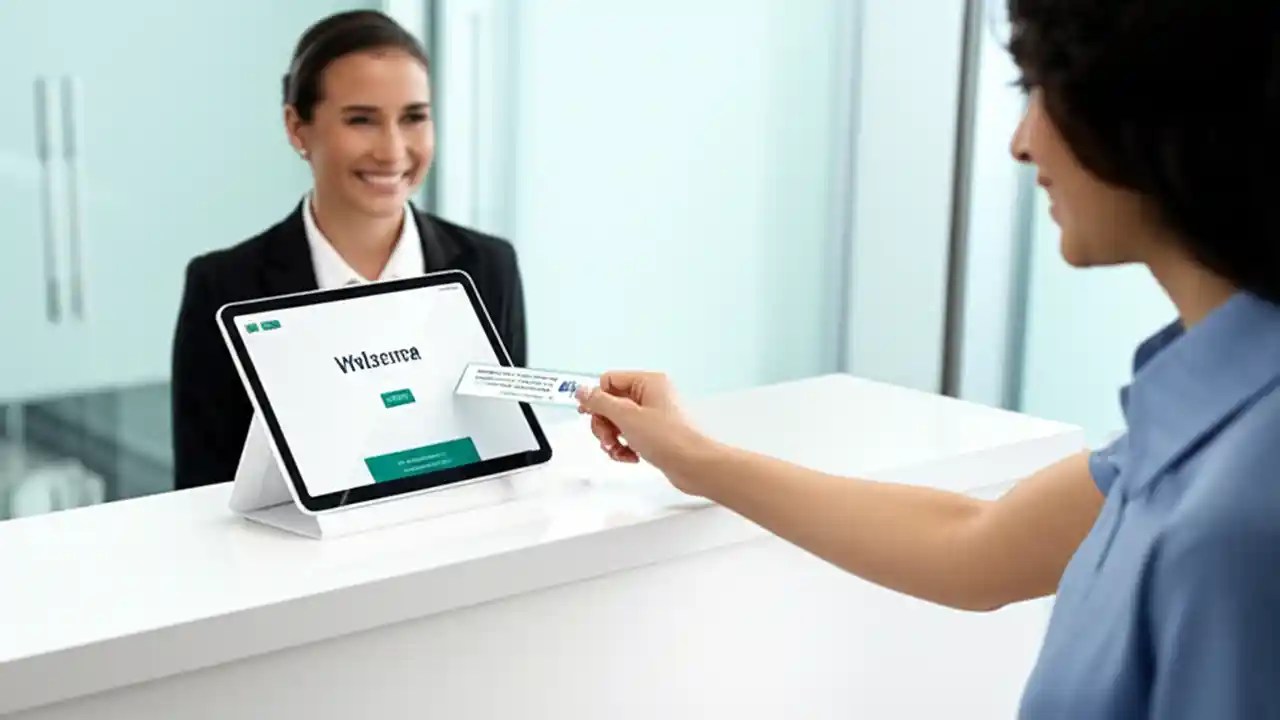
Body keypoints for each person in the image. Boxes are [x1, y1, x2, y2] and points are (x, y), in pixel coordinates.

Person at [574, 1, 1280, 718]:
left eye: (1039, 92)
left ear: (1153, 110)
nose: (1021, 142)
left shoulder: (1240, 514)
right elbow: (973, 545)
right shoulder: (1202, 420)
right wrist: (696, 459)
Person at [171, 10, 527, 490]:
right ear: (298, 128)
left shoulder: (489, 267)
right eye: (362, 120)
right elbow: (203, 493)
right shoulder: (224, 287)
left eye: (414, 118)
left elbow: (508, 458)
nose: (393, 150)